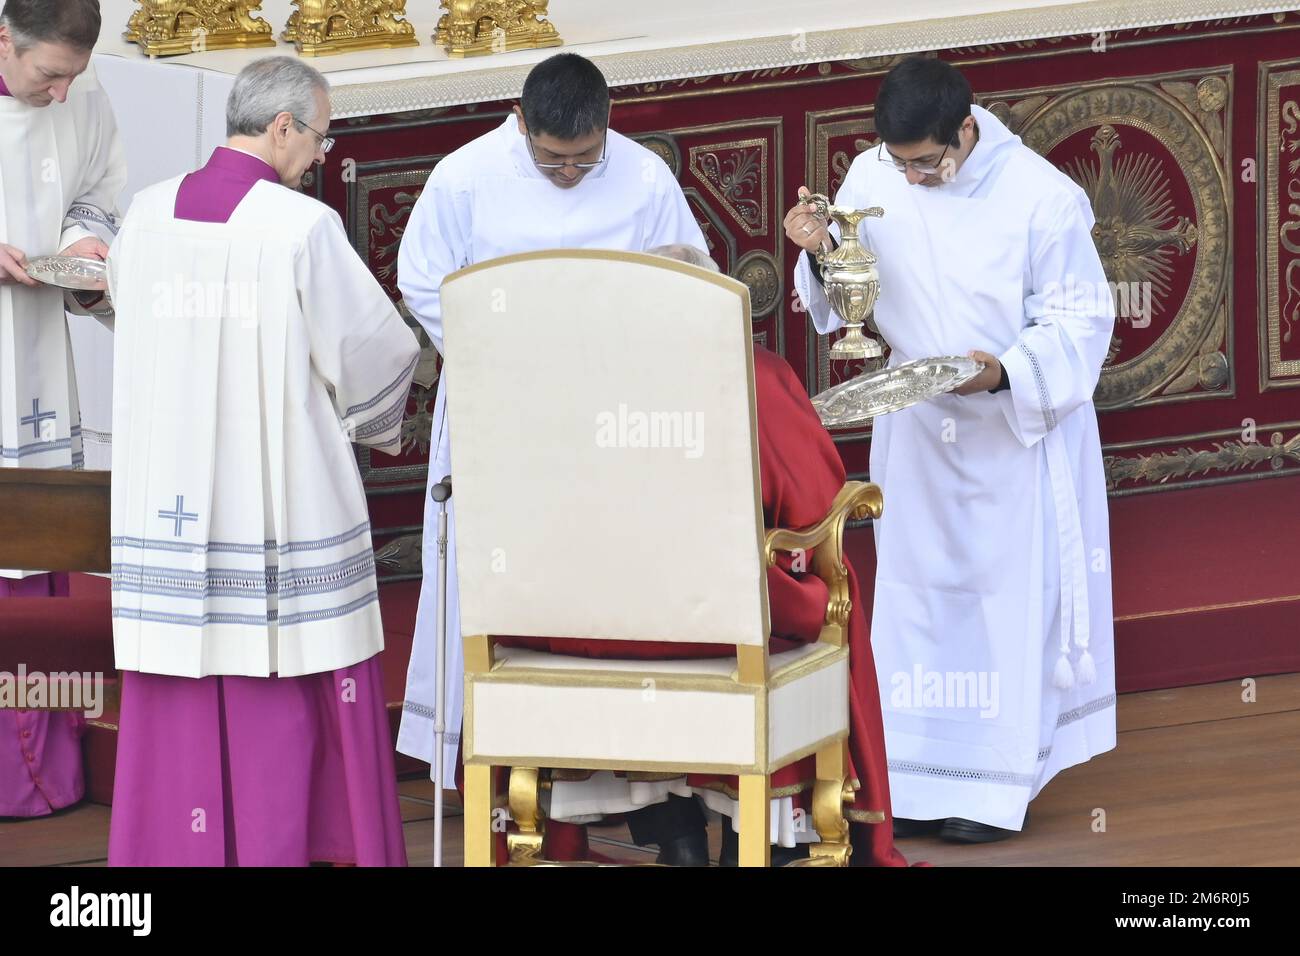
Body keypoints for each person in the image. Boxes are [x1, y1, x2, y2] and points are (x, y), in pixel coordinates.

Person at [786, 56, 1115, 843]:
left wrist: (1002, 371)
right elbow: (848, 297)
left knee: (1004, 602)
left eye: (927, 163)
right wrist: (819, 251)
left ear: (966, 129)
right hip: (917, 428)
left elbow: (1080, 321)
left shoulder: (1040, 196)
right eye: (901, 164)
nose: (914, 179)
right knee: (919, 594)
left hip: (1012, 430)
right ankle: (917, 776)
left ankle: (997, 789)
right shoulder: (875, 174)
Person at [494, 244, 906, 866]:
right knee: (819, 595)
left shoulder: (579, 378)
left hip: (599, 627)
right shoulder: (758, 375)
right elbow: (812, 505)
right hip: (723, 622)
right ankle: (759, 837)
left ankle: (677, 836)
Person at [104, 57, 419, 866]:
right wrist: (387, 407)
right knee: (289, 672)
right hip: (279, 501)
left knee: (185, 672)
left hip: (167, 500)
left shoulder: (143, 216)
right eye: (317, 136)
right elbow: (371, 351)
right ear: (281, 126)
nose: (320, 155)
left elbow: (131, 319)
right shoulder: (299, 228)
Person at [396, 53, 707, 858]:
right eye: (551, 159)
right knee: (506, 594)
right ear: (520, 124)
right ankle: (505, 795)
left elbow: (692, 279)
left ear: (607, 125)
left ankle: (649, 800)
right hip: (506, 412)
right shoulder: (465, 178)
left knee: (611, 603)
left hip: (612, 421)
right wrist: (516, 343)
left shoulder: (640, 178)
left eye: (583, 158)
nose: (569, 173)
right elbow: (423, 279)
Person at [0, 0, 123, 819]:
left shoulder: (83, 93)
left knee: (38, 544)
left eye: (73, 78)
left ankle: (45, 772)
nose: (60, 95)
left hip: (40, 344)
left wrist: (85, 244)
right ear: (2, 40)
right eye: (48, 75)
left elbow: (99, 186)